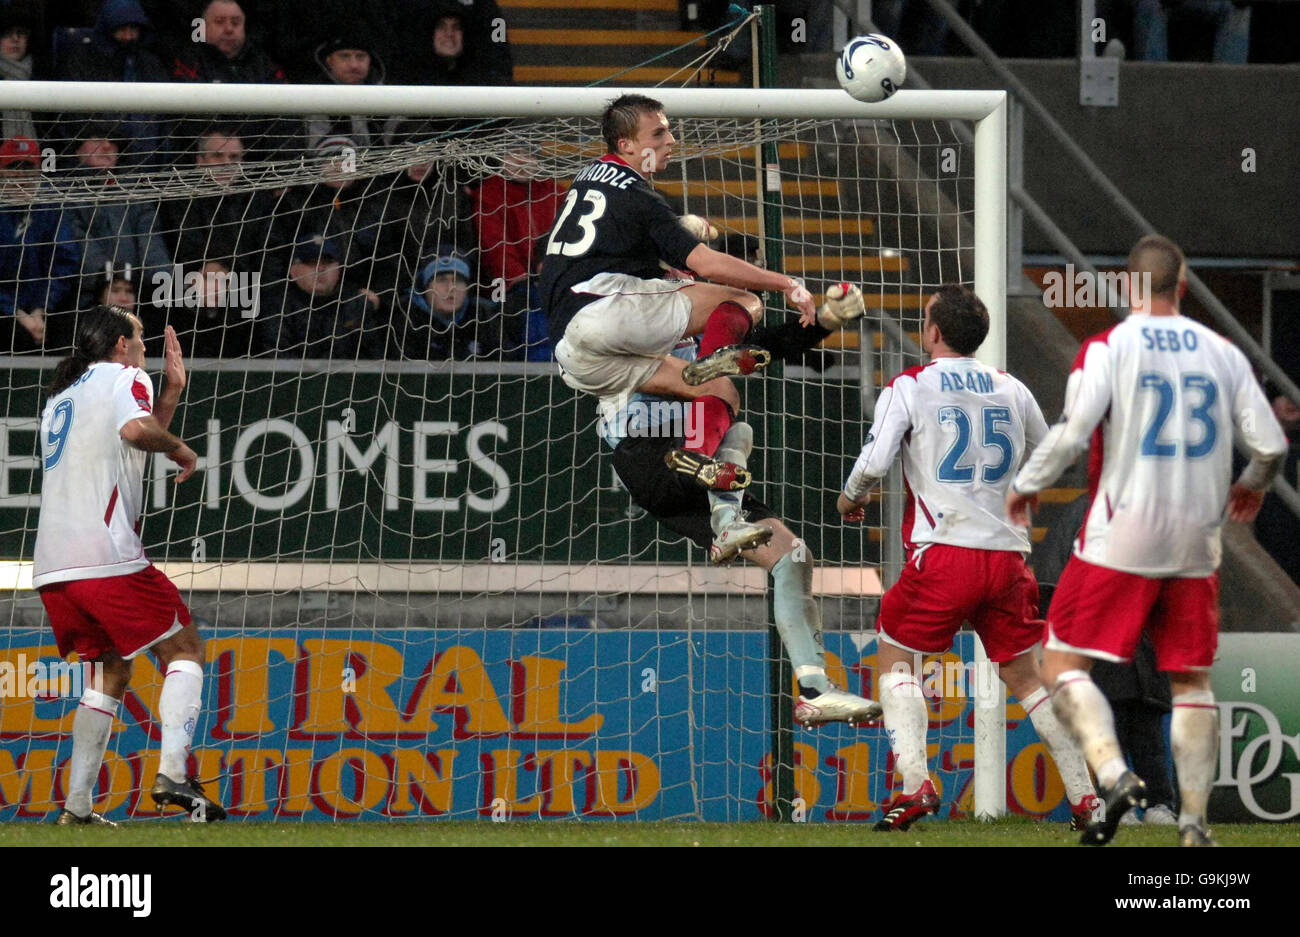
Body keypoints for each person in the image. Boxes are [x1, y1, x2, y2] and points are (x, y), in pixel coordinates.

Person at [1006, 234, 1288, 846]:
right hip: (1195, 536)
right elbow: (1270, 446)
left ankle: (1113, 775)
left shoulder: (1107, 347)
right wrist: (1254, 485)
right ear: (1182, 285)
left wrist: (1026, 487)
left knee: (1060, 662)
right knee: (1189, 681)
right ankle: (1191, 822)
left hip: (1121, 530)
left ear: (1131, 287)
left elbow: (1073, 433)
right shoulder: (1221, 352)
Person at [837, 284, 1098, 831]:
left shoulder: (909, 385)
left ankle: (915, 786)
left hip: (945, 554)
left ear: (932, 332)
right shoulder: (1012, 387)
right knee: (1028, 679)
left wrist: (851, 497)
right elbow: (1047, 454)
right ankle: (1086, 799)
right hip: (1005, 557)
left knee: (896, 659)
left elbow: (875, 458)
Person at [540, 93, 816, 559]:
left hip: (574, 356)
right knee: (744, 299)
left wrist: (673, 246)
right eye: (659, 133)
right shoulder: (636, 192)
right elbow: (704, 262)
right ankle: (709, 402)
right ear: (626, 145)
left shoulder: (589, 180)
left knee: (724, 394)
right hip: (601, 310)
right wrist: (787, 283)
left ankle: (717, 501)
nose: (672, 140)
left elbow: (625, 250)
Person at [605, 282, 881, 726]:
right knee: (733, 420)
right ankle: (720, 507)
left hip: (698, 462)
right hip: (650, 451)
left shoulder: (701, 333)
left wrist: (826, 320)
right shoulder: (627, 319)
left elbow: (760, 347)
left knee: (792, 557)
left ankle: (814, 691)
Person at [32, 305, 226, 824]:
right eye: (139, 337)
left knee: (110, 669)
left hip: (54, 567)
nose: (144, 347)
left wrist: (171, 393)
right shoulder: (124, 374)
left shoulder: (60, 398)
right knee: (183, 645)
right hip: (104, 555)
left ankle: (76, 809)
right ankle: (175, 774)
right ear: (121, 344)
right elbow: (140, 433)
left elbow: (129, 440)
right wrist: (185, 450)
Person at [0, 137, 80, 353]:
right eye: (13, 168)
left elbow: (65, 262)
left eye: (27, 168)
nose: (20, 176)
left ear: (38, 170)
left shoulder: (51, 208)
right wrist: (16, 313)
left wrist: (40, 309)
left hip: (44, 309)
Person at [387, 254, 517, 361]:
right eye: (441, 280)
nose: (451, 288)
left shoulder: (483, 314)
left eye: (458, 280)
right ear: (425, 288)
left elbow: (505, 360)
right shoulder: (405, 316)